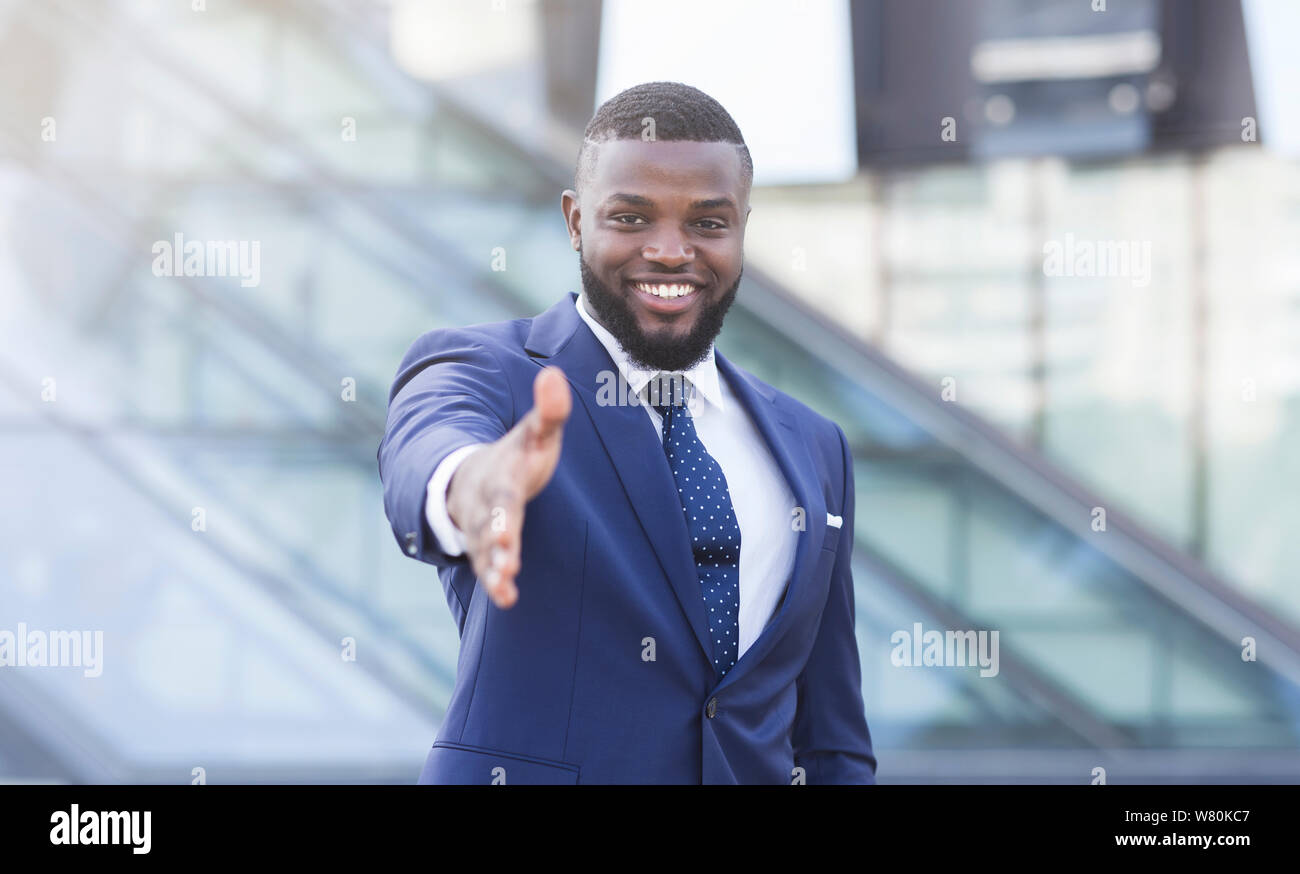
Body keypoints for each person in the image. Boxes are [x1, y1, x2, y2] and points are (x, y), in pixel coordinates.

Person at [378, 81, 876, 784]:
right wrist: (471, 485)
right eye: (632, 218)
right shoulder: (488, 370)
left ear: (742, 228)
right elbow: (427, 448)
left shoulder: (816, 447)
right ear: (576, 220)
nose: (671, 252)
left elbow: (832, 736)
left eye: (708, 223)